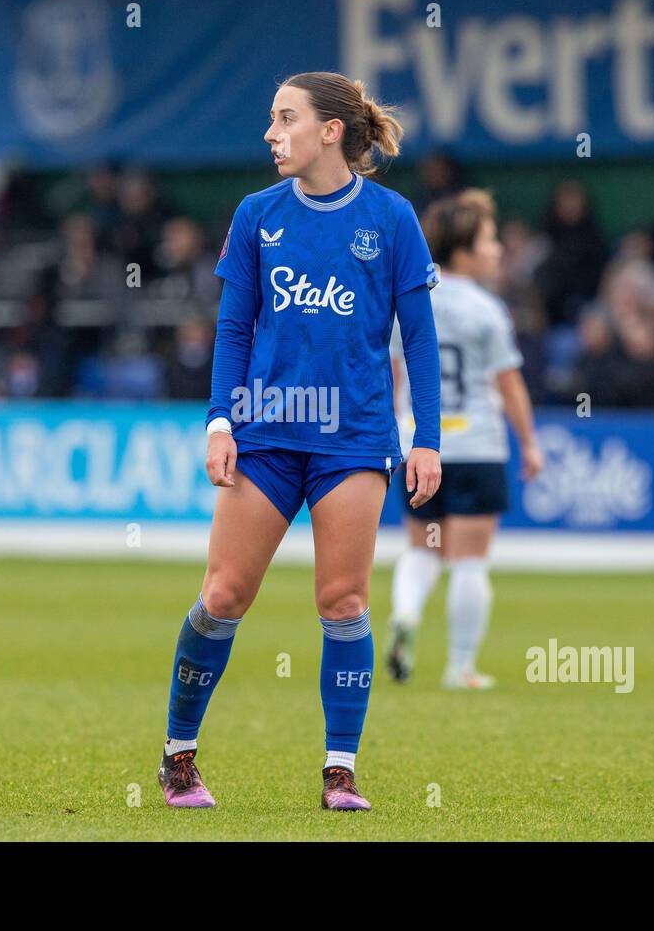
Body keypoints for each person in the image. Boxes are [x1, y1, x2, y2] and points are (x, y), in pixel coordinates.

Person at [157, 71, 442, 812]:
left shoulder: (392, 218)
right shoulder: (257, 216)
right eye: (270, 118)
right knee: (223, 596)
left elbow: (420, 338)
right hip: (267, 433)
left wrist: (428, 438)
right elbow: (232, 326)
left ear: (330, 131)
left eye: (285, 118)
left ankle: (339, 771)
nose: (270, 133)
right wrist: (220, 420)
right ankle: (177, 757)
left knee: (343, 601)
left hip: (354, 439)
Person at [387, 189, 543, 689]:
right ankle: (460, 666)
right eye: (490, 240)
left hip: (420, 447)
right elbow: (509, 383)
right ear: (463, 250)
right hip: (476, 446)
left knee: (424, 546)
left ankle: (407, 614)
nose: (497, 250)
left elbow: (392, 378)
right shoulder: (486, 310)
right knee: (470, 561)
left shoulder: (408, 303)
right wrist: (530, 443)